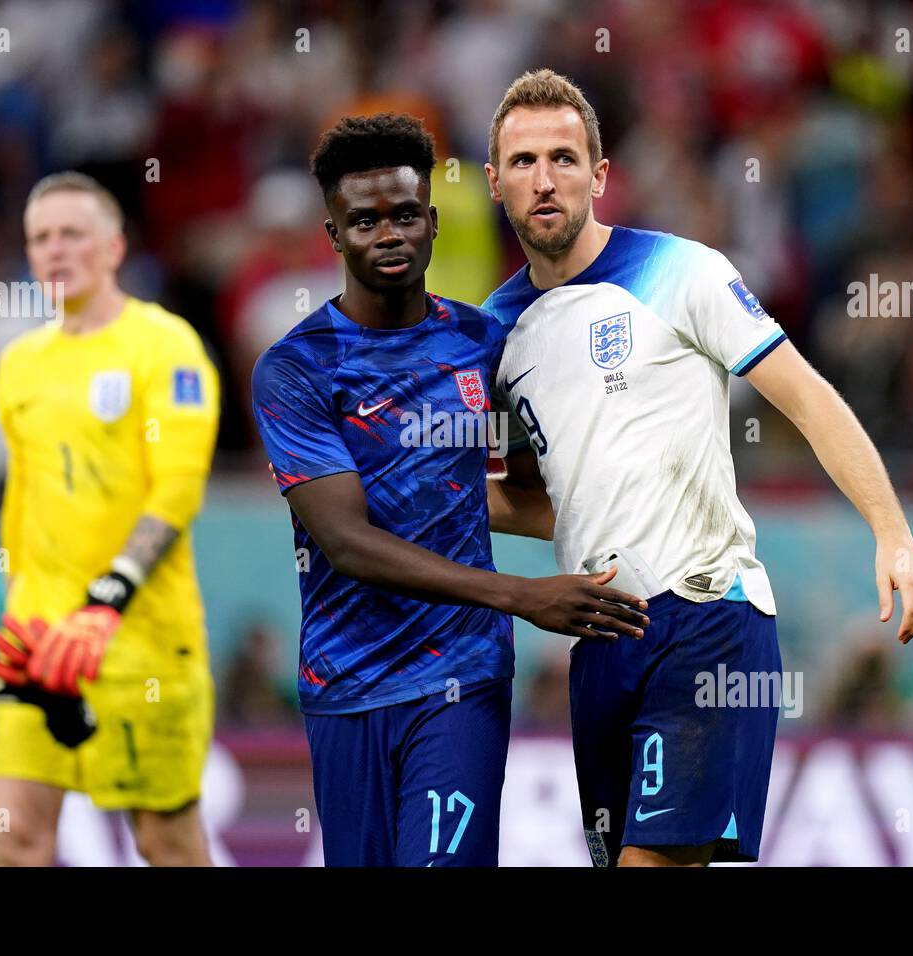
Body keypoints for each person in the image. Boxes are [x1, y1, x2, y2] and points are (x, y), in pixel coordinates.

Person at [481, 70, 913, 867]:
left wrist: (892, 533)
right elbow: (539, 500)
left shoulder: (681, 272)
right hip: (600, 640)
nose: (544, 179)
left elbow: (809, 398)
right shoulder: (497, 335)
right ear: (494, 182)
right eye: (523, 162)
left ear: (600, 174)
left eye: (563, 157)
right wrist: (394, 498)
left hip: (705, 617)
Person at [251, 113, 647, 867]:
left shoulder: (488, 344)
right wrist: (521, 595)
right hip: (347, 680)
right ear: (333, 234)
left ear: (432, 222)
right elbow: (346, 542)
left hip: (460, 678)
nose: (388, 234)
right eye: (363, 220)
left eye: (405, 215)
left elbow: (534, 487)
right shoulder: (297, 370)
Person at [0, 172, 220, 866]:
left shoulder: (164, 346)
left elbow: (177, 487)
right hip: (38, 640)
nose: (54, 251)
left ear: (114, 246)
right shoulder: (19, 364)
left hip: (141, 640)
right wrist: (17, 604)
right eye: (39, 239)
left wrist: (107, 596)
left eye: (70, 234)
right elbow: (23, 500)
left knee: (165, 843)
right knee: (13, 839)